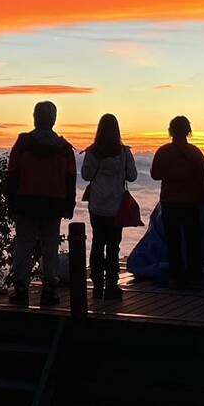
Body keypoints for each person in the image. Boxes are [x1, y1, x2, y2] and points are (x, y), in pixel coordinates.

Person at [5, 100, 77, 307]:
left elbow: (12, 175)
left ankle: (20, 289)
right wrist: (68, 205)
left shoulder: (23, 144)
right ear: (54, 120)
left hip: (26, 201)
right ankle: (49, 290)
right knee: (50, 246)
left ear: (35, 118)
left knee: (24, 244)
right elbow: (70, 178)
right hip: (53, 203)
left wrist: (11, 202)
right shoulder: (63, 149)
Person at [80, 113, 137, 301]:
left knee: (97, 243)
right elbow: (132, 176)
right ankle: (112, 286)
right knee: (113, 246)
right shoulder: (124, 152)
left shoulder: (92, 152)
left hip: (96, 205)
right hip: (116, 206)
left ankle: (97, 286)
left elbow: (86, 176)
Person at [151, 115, 204, 289]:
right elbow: (203, 175)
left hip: (170, 201)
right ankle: (196, 276)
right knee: (193, 240)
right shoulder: (195, 152)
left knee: (173, 240)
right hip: (191, 202)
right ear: (188, 131)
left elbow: (155, 174)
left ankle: (176, 276)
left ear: (170, 131)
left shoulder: (163, 152)